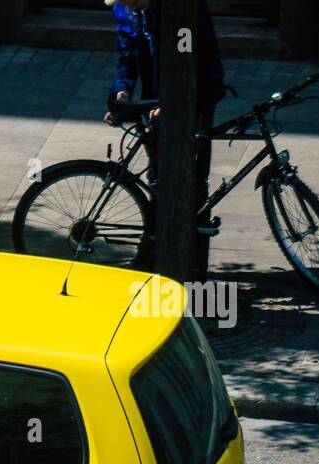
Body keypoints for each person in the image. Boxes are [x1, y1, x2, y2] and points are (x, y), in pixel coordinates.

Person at [102, 0, 227, 271]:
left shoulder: (179, 10)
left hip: (196, 94)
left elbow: (194, 57)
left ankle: (186, 257)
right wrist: (122, 91)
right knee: (160, 176)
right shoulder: (125, 8)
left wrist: (175, 101)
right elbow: (127, 49)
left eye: (131, 2)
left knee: (190, 178)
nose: (128, 8)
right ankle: (155, 247)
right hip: (156, 94)